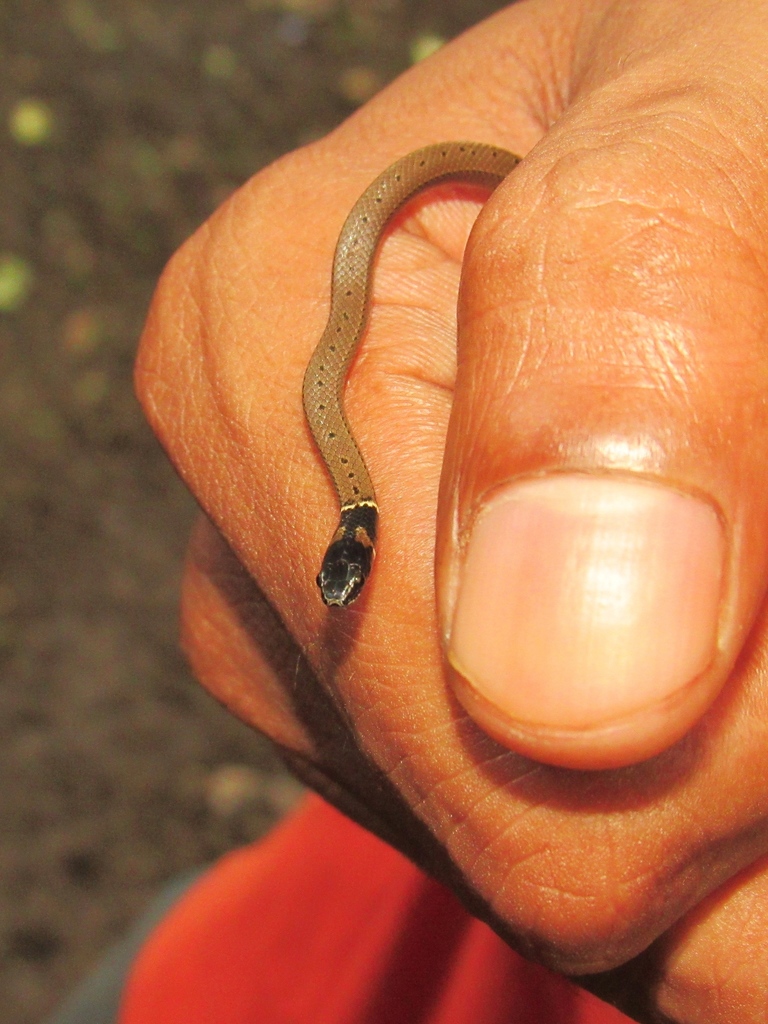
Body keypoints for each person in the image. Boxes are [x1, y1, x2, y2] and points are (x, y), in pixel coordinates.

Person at [54, 0, 768, 1020]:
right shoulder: (349, 458)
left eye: (350, 556)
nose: (345, 582)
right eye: (350, 558)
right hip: (253, 973)